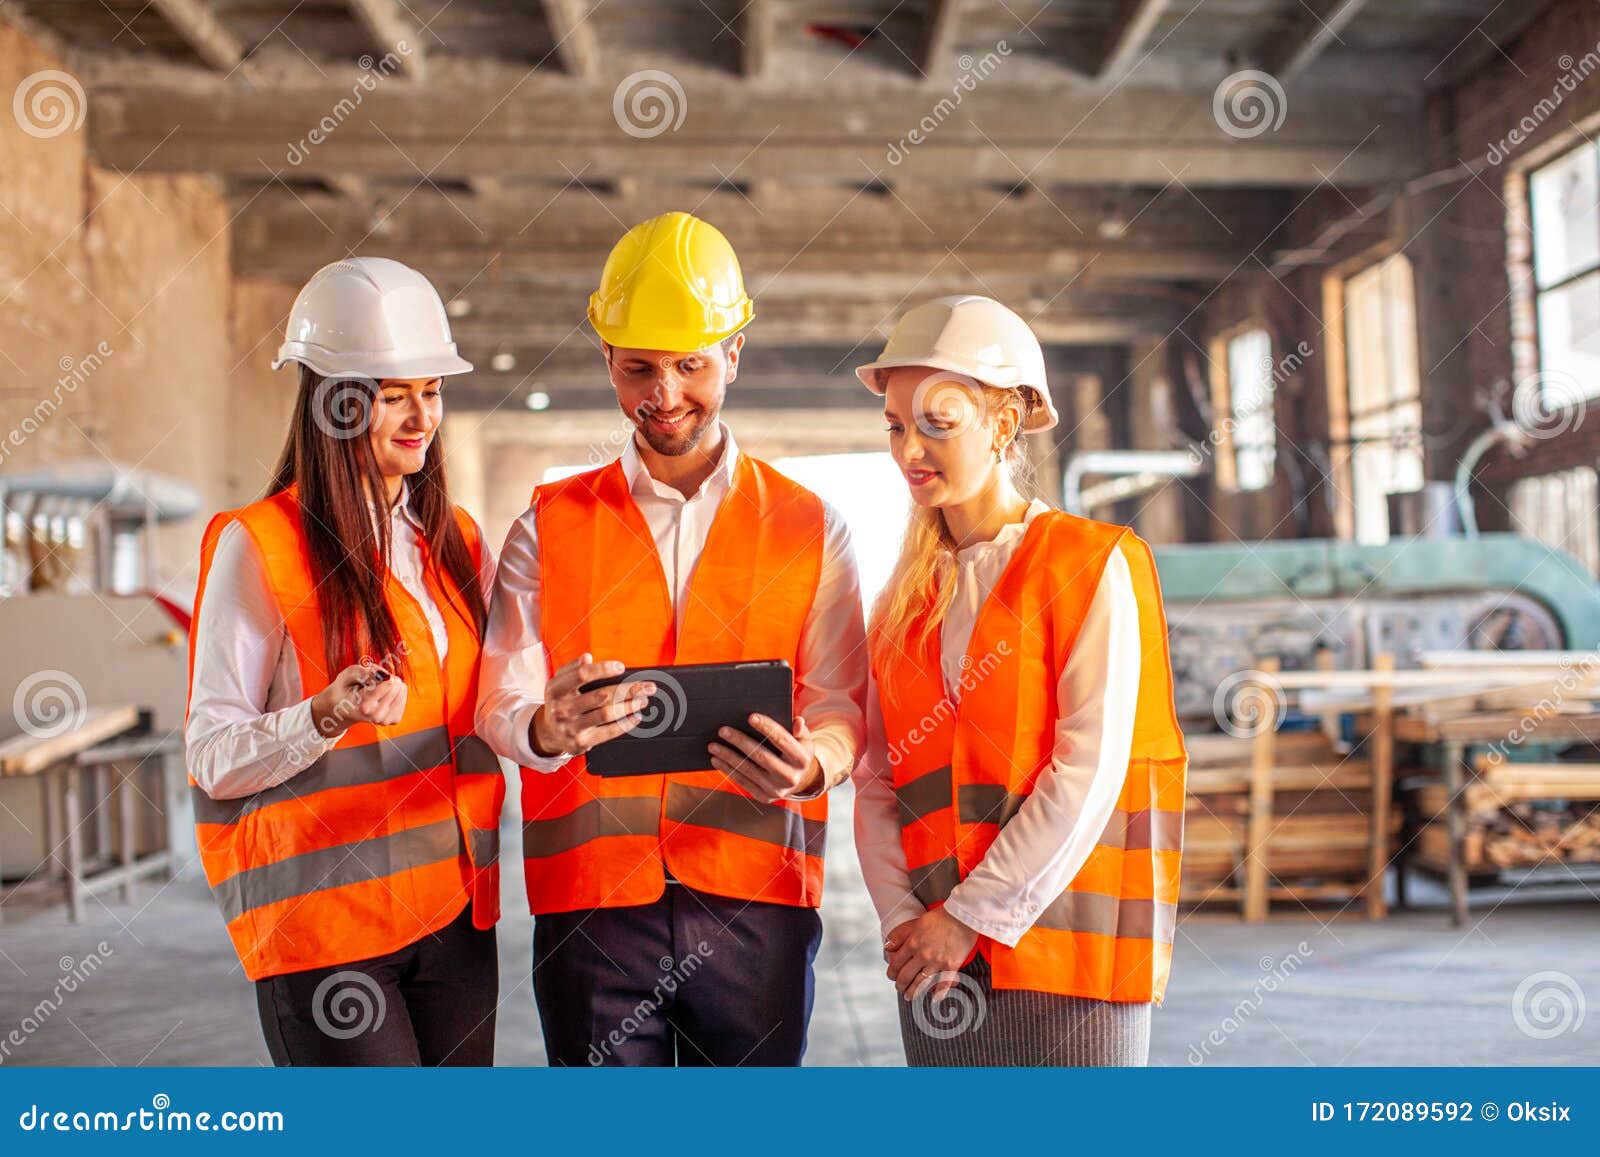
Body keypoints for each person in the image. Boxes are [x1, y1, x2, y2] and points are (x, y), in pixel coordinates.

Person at [476, 211, 868, 1067]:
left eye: (691, 364)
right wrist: (546, 728)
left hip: (756, 902)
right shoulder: (547, 525)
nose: (665, 394)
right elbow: (498, 695)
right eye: (638, 367)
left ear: (734, 353)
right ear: (606, 360)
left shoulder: (811, 527)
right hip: (592, 912)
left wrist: (812, 765)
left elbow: (842, 704)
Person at [850, 294, 1187, 1066]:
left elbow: (1088, 770)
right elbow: (877, 780)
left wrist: (966, 917)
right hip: (936, 965)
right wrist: (909, 924)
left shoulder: (1091, 564)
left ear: (1005, 424)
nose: (910, 449)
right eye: (897, 425)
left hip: (1069, 963)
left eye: (938, 422)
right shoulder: (902, 606)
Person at [185, 257, 504, 1066]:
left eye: (431, 390)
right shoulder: (259, 546)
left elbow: (495, 704)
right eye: (393, 393)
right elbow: (212, 756)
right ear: (333, 398)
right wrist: (324, 713)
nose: (420, 416)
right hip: (326, 934)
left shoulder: (457, 544)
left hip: (456, 916)